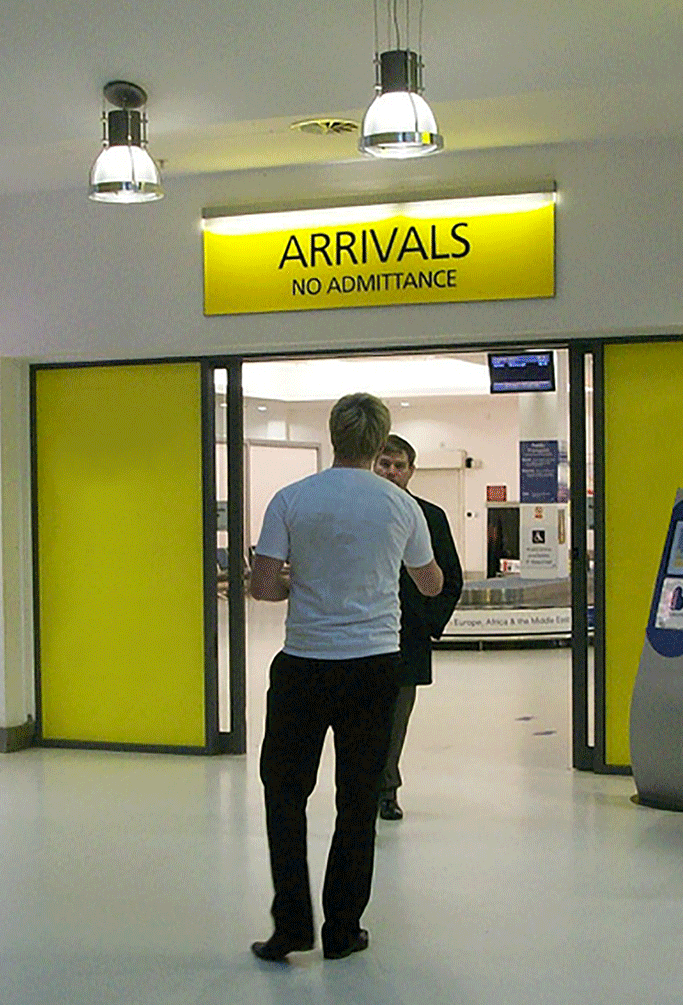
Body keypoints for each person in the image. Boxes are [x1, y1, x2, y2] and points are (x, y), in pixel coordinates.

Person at [248, 392, 443, 961]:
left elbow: (262, 586)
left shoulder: (291, 499)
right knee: (357, 800)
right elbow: (430, 583)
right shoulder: (403, 507)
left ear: (334, 434)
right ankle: (342, 930)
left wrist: (301, 583)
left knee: (284, 795)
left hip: (303, 666)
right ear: (380, 441)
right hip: (375, 668)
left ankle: (290, 927)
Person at [373, 434, 464, 820]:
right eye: (385, 464)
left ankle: (385, 791)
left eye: (399, 466)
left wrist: (428, 623)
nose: (392, 473)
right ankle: (362, 787)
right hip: (357, 632)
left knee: (395, 719)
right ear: (372, 465)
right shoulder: (355, 512)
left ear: (411, 471)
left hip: (406, 636)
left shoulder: (430, 517)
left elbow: (451, 579)